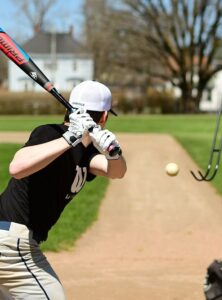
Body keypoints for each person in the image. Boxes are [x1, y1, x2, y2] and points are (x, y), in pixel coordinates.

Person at [0, 80, 127, 299]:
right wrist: (69, 137)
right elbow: (17, 168)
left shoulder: (86, 153)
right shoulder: (50, 133)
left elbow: (116, 172)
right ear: (104, 117)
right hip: (10, 243)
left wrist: (114, 153)